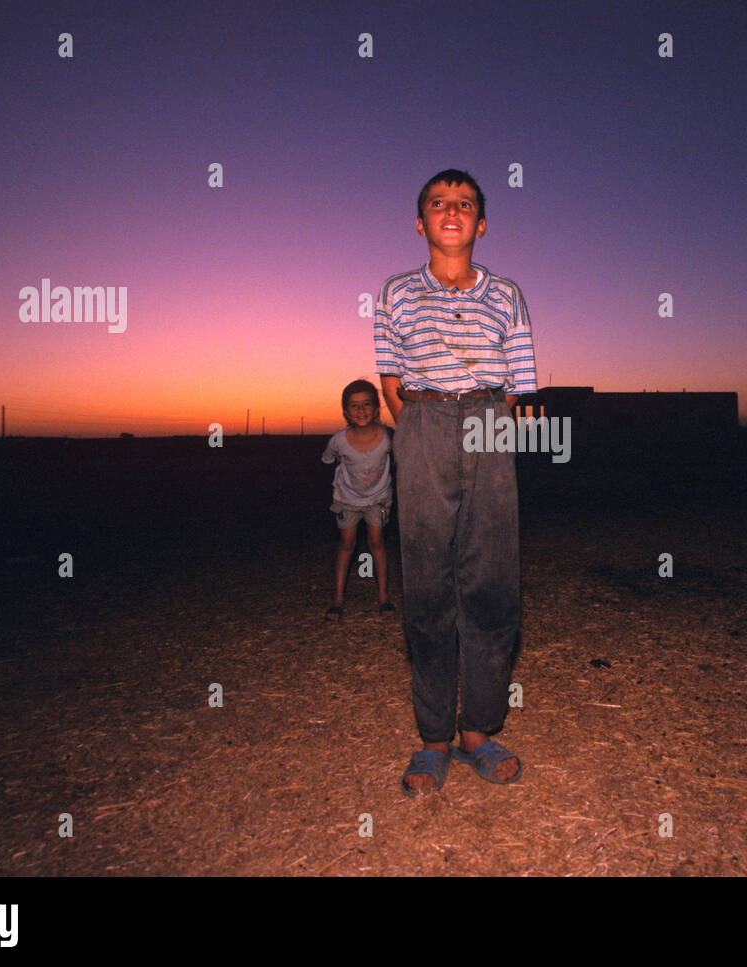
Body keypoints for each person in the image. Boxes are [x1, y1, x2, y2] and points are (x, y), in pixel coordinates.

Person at [374, 169, 537, 795]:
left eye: (465, 204)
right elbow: (389, 379)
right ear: (421, 223)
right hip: (424, 422)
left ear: (481, 223)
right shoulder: (394, 292)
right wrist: (422, 431)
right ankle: (434, 739)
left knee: (492, 579)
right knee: (428, 582)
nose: (452, 211)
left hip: (493, 422)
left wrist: (492, 431)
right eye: (439, 203)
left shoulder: (508, 294)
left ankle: (479, 731)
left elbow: (521, 385)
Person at [320, 379, 395, 620]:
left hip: (378, 498)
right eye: (354, 406)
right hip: (347, 499)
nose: (360, 410)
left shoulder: (387, 437)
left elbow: (400, 458)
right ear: (345, 411)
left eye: (366, 404)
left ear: (376, 409)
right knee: (347, 544)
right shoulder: (339, 439)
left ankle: (383, 598)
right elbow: (329, 458)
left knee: (376, 542)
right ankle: (338, 599)